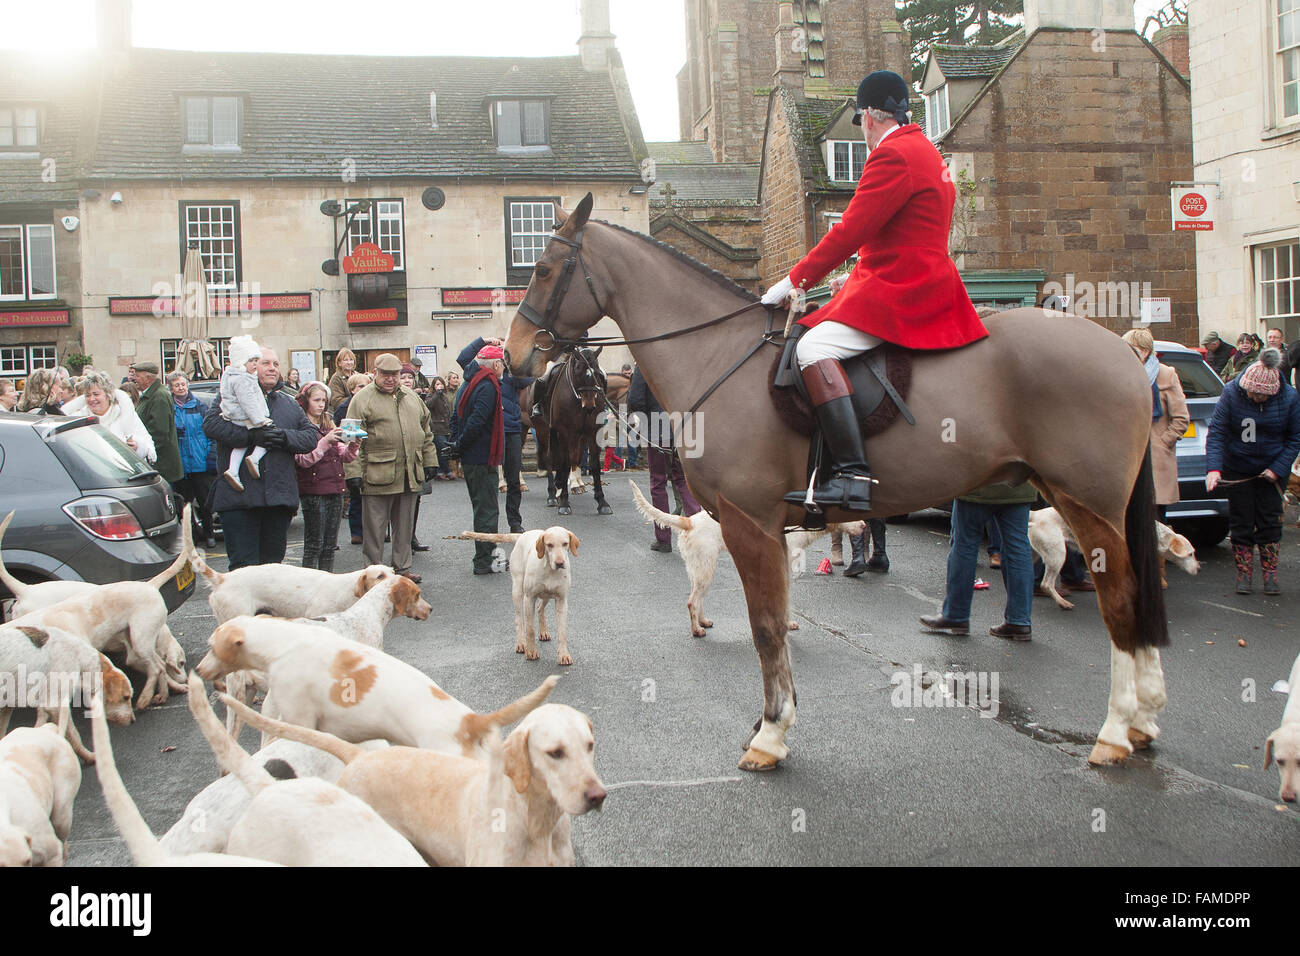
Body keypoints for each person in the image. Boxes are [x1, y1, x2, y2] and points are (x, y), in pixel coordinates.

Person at [762, 70, 987, 512]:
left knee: (812, 349)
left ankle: (852, 475)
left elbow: (849, 230)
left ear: (867, 117)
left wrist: (794, 281)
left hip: (902, 289)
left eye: (861, 119)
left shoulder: (893, 155)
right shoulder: (925, 150)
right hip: (912, 276)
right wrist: (855, 274)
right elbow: (898, 233)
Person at [204, 348, 318, 570]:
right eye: (266, 363)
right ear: (252, 365)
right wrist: (249, 436)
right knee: (243, 572)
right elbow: (211, 425)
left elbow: (310, 437)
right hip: (240, 499)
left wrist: (284, 437)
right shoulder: (230, 395)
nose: (272, 368)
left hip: (277, 500)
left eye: (276, 364)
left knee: (273, 571)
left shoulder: (288, 402)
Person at [1206, 348, 1300, 595]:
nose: (1255, 397)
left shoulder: (1289, 397)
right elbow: (1217, 433)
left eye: (1260, 395)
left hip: (1272, 470)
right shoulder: (1231, 393)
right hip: (1238, 468)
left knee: (1270, 523)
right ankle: (1244, 575)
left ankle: (1270, 576)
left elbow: (1295, 438)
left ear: (1271, 392)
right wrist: (1214, 469)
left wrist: (1277, 469)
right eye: (1252, 393)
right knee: (1241, 522)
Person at [349, 353, 437, 583]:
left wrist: (430, 461)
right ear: (375, 373)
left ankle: (402, 569)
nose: (390, 379)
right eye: (385, 374)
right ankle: (374, 572)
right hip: (377, 475)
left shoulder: (412, 397)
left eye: (395, 374)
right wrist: (353, 472)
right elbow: (350, 438)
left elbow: (426, 432)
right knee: (375, 530)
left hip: (409, 472)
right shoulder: (362, 399)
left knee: (405, 526)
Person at [920, 481, 1037, 640]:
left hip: (979, 484)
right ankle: (1019, 621)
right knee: (1018, 548)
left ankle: (956, 616)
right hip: (1019, 485)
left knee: (964, 545)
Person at [458, 336, 531, 534]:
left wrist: (513, 354)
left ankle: (514, 520)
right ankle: (490, 524)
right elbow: (462, 358)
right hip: (490, 434)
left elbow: (530, 377)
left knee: (513, 479)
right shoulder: (479, 373)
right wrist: (483, 341)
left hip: (511, 431)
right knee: (490, 484)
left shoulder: (509, 375)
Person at [628, 364, 701, 553]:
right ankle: (699, 533)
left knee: (658, 482)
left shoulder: (643, 361)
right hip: (684, 426)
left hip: (657, 427)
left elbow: (636, 399)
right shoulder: (679, 357)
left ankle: (663, 539)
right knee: (683, 480)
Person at [1122, 328, 1190, 529]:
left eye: (1130, 349)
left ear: (1144, 351)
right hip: (1129, 456)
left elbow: (1181, 417)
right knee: (1129, 519)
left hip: (1156, 456)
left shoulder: (1166, 374)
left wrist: (1164, 441)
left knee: (1157, 520)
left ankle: (1156, 560)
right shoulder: (1122, 374)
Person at [449, 345, 506, 574]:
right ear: (494, 364)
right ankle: (484, 561)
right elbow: (477, 421)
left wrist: (457, 445)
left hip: (472, 456)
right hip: (482, 456)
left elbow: (456, 416)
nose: (503, 367)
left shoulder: (468, 382)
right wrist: (460, 445)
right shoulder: (487, 385)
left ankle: (485, 557)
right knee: (487, 510)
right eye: (502, 363)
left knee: (482, 507)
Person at [294, 381, 360, 571]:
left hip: (335, 488)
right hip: (313, 491)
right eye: (316, 400)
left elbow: (345, 456)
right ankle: (307, 587)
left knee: (329, 546)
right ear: (306, 401)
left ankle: (326, 585)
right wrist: (325, 441)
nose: (321, 404)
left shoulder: (328, 422)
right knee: (314, 545)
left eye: (324, 400)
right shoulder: (300, 426)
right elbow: (304, 460)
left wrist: (354, 443)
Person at [216, 335, 275, 493]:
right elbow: (248, 402)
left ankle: (233, 470)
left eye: (256, 360)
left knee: (241, 445)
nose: (255, 364)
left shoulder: (232, 376)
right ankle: (254, 459)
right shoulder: (242, 379)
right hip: (243, 416)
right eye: (251, 361)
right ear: (241, 361)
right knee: (267, 435)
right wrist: (259, 420)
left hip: (233, 415)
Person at [166, 371, 217, 549]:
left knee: (205, 503)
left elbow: (210, 433)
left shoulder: (200, 406)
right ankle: (193, 536)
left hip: (199, 461)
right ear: (171, 388)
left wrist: (210, 456)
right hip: (181, 464)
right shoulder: (169, 408)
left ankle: (210, 534)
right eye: (177, 385)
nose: (181, 388)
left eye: (183, 384)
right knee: (184, 504)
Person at [61, 371, 156, 461]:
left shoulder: (125, 413)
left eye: (96, 394)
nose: (92, 399)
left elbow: (148, 445)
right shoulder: (79, 418)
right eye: (88, 395)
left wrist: (137, 447)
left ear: (108, 395)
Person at [131, 361, 183, 484]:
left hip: (161, 465)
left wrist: (144, 451)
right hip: (156, 463)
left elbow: (159, 432)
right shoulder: (150, 394)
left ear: (148, 378)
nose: (134, 379)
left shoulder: (159, 396)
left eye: (137, 376)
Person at [334, 372, 371, 545]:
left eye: (366, 386)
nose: (364, 390)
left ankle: (376, 531)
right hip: (353, 453)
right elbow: (343, 436)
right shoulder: (344, 407)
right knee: (357, 496)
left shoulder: (371, 402)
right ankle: (357, 531)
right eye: (360, 387)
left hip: (371, 454)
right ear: (352, 389)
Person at [399, 364, 431, 552]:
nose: (407, 381)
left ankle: (411, 536)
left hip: (417, 458)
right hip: (399, 460)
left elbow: (427, 430)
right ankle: (401, 539)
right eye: (403, 377)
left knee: (416, 501)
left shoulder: (419, 400)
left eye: (409, 378)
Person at [424, 376, 453, 479]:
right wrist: (437, 394)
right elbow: (428, 405)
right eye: (437, 384)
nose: (439, 386)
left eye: (441, 384)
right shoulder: (431, 396)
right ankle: (445, 471)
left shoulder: (445, 397)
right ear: (434, 386)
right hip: (436, 427)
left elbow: (448, 411)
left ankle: (442, 471)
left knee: (445, 450)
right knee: (442, 448)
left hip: (446, 427)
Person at [327, 347, 358, 413]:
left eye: (351, 360)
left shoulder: (357, 375)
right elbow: (336, 401)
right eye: (346, 360)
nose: (349, 362)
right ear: (339, 363)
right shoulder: (336, 378)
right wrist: (356, 398)